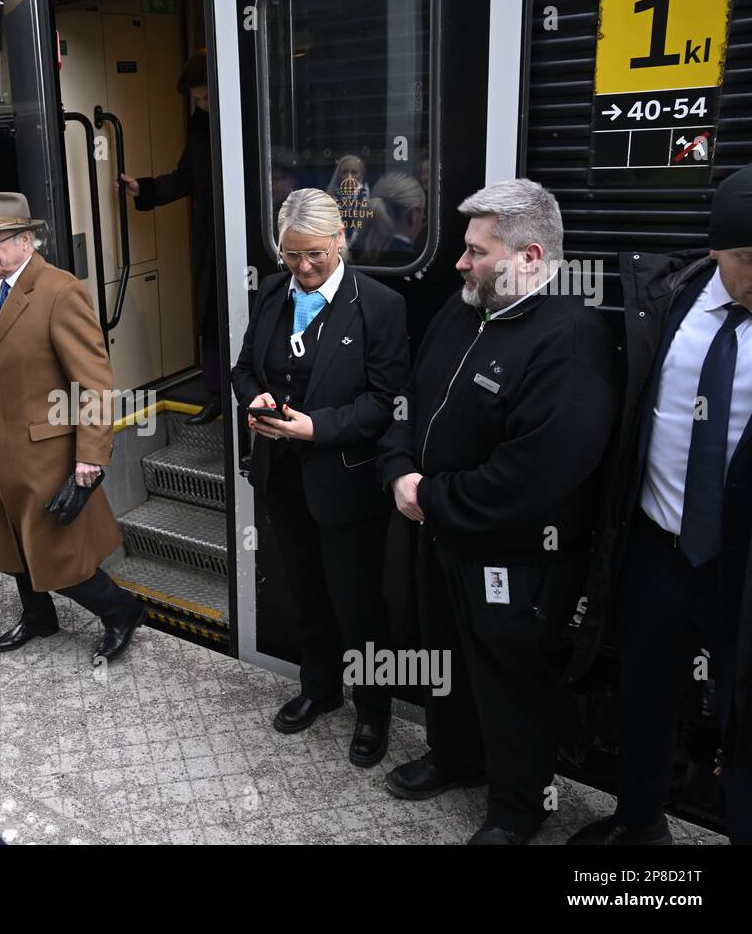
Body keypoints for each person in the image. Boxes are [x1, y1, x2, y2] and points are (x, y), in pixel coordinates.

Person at [377, 178, 619, 843]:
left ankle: (518, 807)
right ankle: (456, 757)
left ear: (531, 257)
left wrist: (428, 496)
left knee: (513, 683)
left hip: (515, 556)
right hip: (440, 535)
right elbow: (412, 397)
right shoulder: (464, 310)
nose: (460, 263)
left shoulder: (571, 341)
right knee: (446, 654)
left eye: (477, 252)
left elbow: (535, 476)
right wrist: (399, 468)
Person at [567, 162, 752, 845]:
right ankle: (641, 824)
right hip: (660, 548)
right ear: (715, 251)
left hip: (743, 568)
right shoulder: (668, 302)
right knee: (645, 697)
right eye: (750, 262)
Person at [231, 188, 410, 766]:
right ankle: (320, 689)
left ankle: (373, 712)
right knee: (304, 591)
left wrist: (316, 427)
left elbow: (386, 402)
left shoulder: (380, 305)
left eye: (315, 255)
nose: (303, 268)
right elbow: (241, 370)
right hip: (281, 478)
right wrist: (253, 398)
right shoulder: (273, 293)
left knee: (359, 605)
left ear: (341, 241)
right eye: (290, 256)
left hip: (345, 482)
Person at [0, 192, 146, 662]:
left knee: (59, 555)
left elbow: (92, 381)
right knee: (12, 544)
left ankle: (121, 612)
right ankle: (38, 616)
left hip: (49, 451)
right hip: (3, 449)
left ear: (26, 240)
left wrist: (91, 454)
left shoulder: (59, 291)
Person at [117, 49, 221, 425]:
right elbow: (184, 177)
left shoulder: (242, 115)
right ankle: (216, 394)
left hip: (239, 230)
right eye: (197, 99)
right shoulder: (201, 124)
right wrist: (142, 188)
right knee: (211, 313)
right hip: (212, 231)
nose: (202, 104)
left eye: (206, 97)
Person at [357, 172, 426, 256]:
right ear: (413, 215)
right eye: (422, 214)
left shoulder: (356, 252)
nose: (423, 218)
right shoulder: (413, 260)